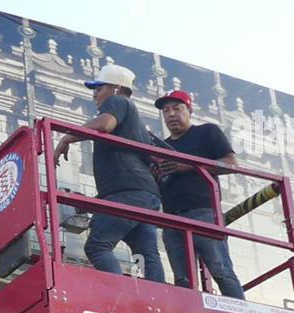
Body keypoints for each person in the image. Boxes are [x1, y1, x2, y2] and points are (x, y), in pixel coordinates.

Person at [52, 64, 164, 282]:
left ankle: (118, 292)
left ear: (115, 88)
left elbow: (105, 124)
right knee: (145, 253)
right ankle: (155, 297)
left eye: (99, 88)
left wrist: (67, 137)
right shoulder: (137, 122)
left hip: (128, 194)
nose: (95, 94)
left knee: (97, 246)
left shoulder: (118, 101)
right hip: (145, 195)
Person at [152, 89, 245, 298]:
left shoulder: (206, 132)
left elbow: (230, 164)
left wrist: (188, 166)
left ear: (189, 110)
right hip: (172, 218)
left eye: (177, 108)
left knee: (220, 269)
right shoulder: (162, 146)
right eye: (166, 111)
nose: (171, 114)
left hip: (203, 212)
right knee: (183, 279)